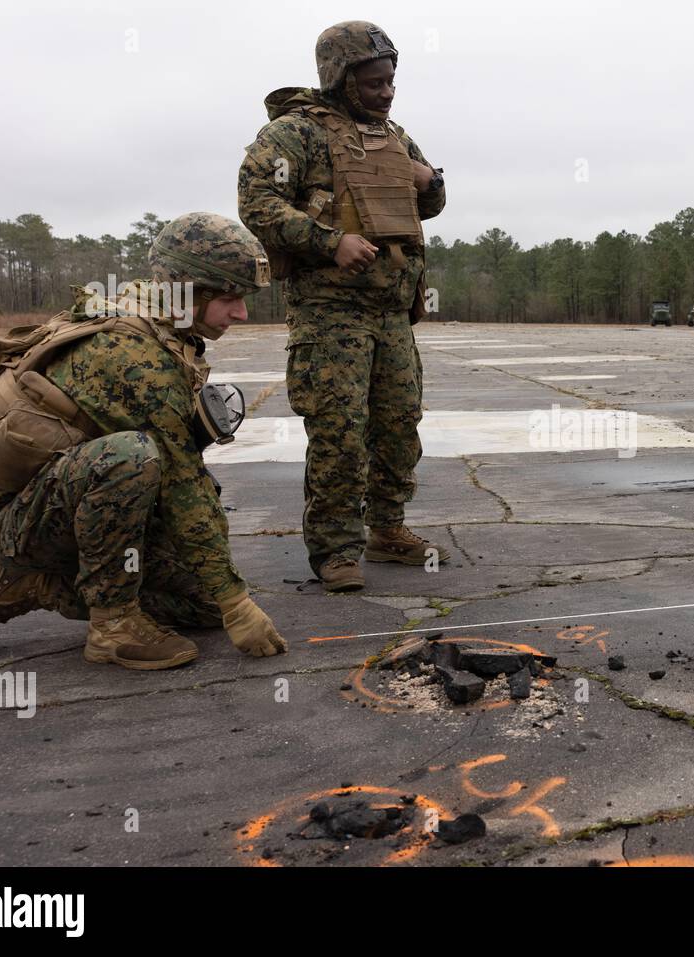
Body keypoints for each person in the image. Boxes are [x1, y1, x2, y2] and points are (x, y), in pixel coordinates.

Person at [0, 212, 288, 670]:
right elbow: (182, 486)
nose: (241, 313)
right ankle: (113, 625)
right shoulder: (134, 355)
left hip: (56, 503)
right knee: (130, 457)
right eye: (230, 298)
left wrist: (223, 599)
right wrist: (238, 602)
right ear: (190, 291)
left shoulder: (157, 322)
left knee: (204, 607)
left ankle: (37, 585)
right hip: (10, 519)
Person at [238, 20, 449, 593]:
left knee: (398, 427)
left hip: (392, 312)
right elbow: (256, 204)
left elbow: (431, 202)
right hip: (331, 316)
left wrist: (429, 179)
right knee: (339, 433)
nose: (387, 93)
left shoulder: (395, 135)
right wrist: (331, 242)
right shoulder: (294, 134)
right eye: (375, 82)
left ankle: (388, 529)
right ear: (340, 77)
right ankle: (335, 550)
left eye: (391, 82)